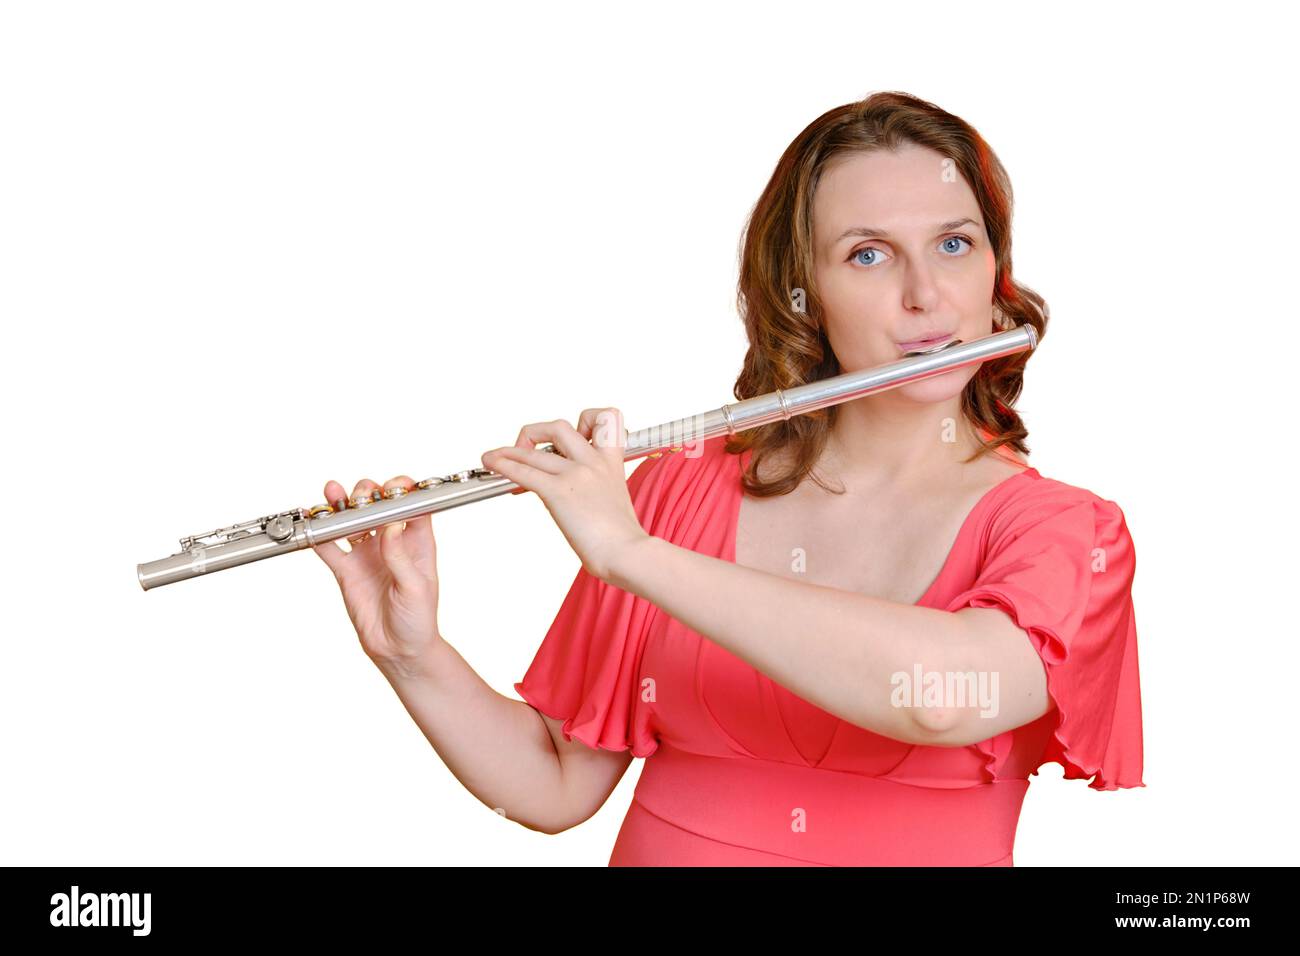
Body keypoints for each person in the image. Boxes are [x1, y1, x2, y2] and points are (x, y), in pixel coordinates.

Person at [313, 91, 1144, 866]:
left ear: (995, 276)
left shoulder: (1069, 535)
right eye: (867, 255)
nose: (925, 294)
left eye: (954, 245)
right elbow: (555, 785)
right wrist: (410, 651)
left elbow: (937, 696)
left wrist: (632, 554)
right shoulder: (678, 494)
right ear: (804, 295)